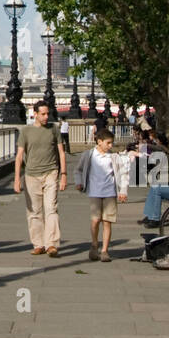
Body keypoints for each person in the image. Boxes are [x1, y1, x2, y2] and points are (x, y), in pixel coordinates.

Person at [14, 101, 66, 257]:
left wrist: (63, 175)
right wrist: (17, 178)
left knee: (51, 208)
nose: (46, 117)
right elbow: (19, 156)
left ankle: (51, 244)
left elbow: (62, 153)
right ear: (34, 114)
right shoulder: (26, 131)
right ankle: (38, 244)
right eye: (42, 114)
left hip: (51, 172)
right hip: (31, 175)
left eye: (47, 113)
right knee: (34, 211)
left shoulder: (54, 129)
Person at [74, 128, 129, 261]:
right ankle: (94, 244)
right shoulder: (89, 155)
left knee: (107, 221)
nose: (110, 146)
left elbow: (123, 174)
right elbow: (78, 170)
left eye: (112, 143)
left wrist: (123, 190)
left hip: (110, 192)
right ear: (99, 142)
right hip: (94, 191)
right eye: (108, 143)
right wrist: (79, 182)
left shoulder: (114, 157)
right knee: (95, 220)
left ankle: (104, 250)